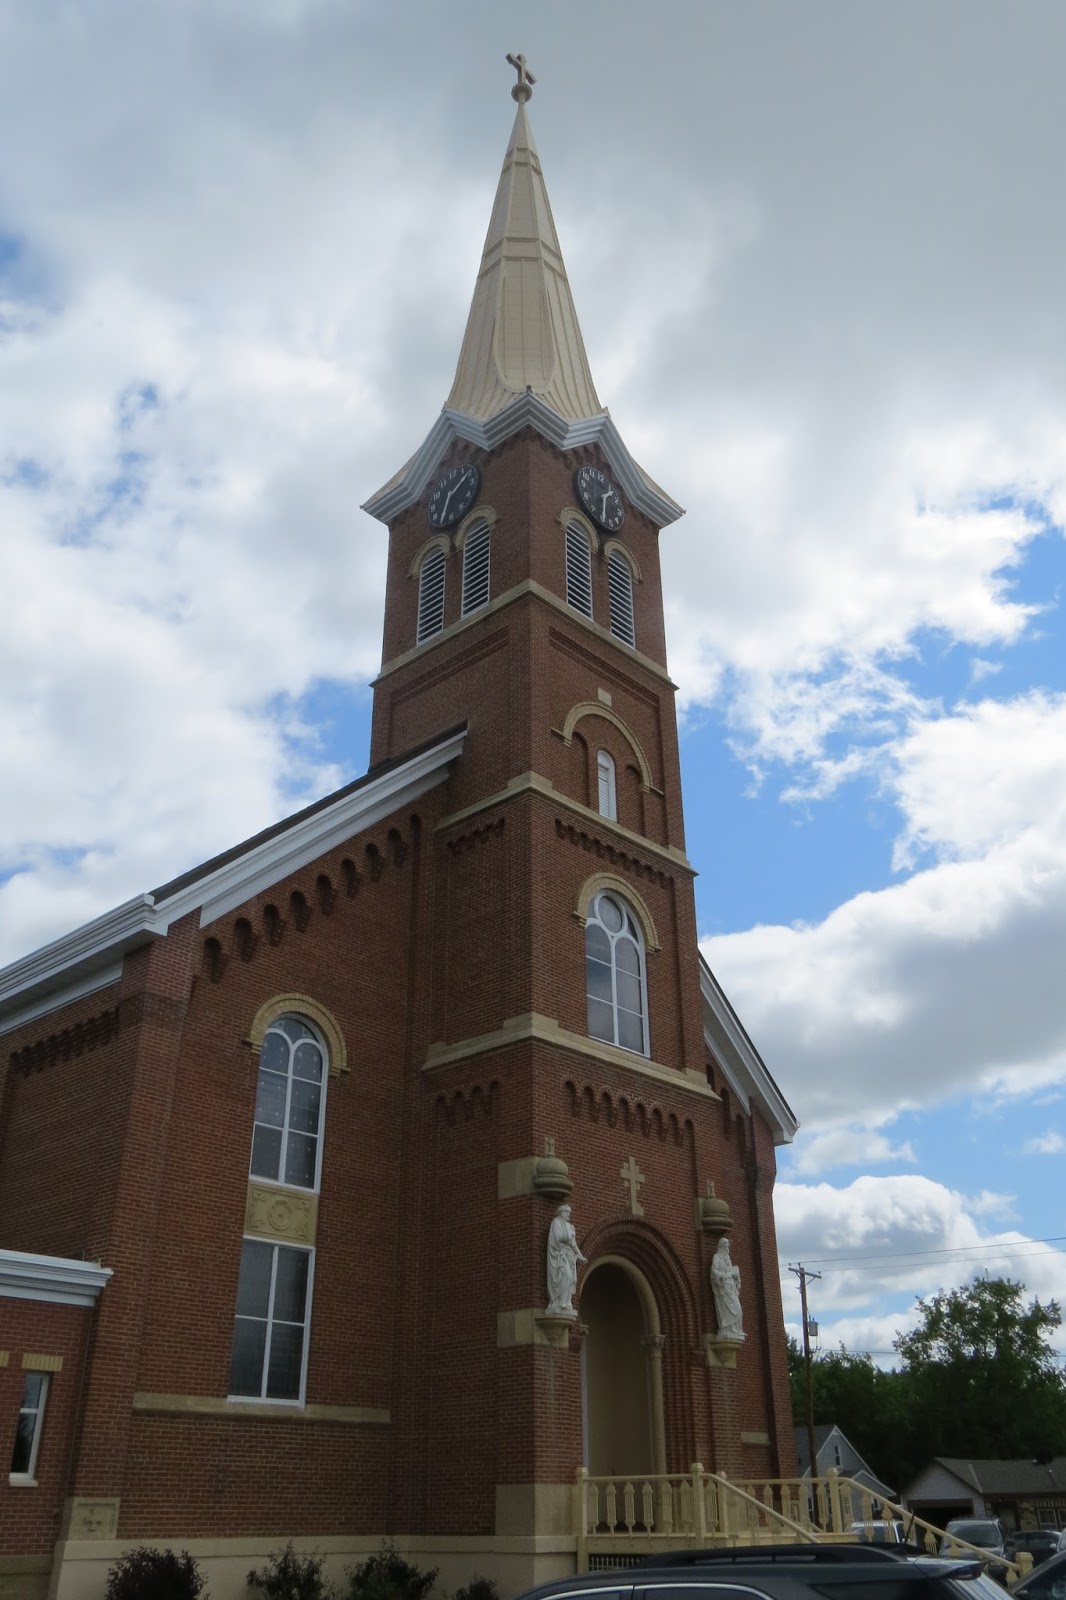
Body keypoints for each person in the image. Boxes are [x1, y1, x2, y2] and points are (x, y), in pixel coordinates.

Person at [546, 1203, 586, 1315]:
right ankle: (559, 1301)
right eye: (566, 1212)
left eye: (569, 1212)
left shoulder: (569, 1226)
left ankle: (566, 1302)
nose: (569, 1214)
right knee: (566, 1275)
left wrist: (580, 1255)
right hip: (559, 1255)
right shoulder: (556, 1222)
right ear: (561, 1212)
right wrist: (570, 1235)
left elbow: (573, 1244)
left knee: (571, 1278)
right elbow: (557, 1238)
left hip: (568, 1256)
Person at [710, 1236, 744, 1339]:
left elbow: (731, 1270)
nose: (727, 1249)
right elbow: (714, 1270)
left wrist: (736, 1276)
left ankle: (736, 1330)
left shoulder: (728, 1259)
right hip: (723, 1288)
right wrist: (722, 1276)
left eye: (728, 1247)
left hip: (731, 1287)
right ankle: (726, 1328)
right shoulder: (717, 1257)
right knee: (726, 1308)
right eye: (726, 1246)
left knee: (738, 1309)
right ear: (721, 1246)